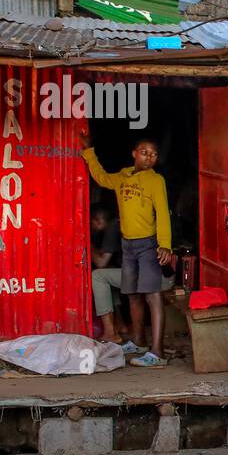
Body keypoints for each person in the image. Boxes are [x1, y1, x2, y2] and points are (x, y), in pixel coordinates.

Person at [79, 132, 172, 368]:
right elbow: (101, 178)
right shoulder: (123, 176)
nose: (149, 157)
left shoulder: (156, 180)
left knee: (152, 295)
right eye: (144, 152)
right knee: (132, 294)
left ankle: (157, 352)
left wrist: (165, 245)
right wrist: (89, 153)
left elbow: (162, 213)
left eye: (153, 154)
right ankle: (139, 342)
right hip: (127, 244)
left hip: (148, 244)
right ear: (134, 154)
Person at [89, 204, 126, 344]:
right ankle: (120, 324)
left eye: (91, 222)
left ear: (98, 220)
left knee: (98, 275)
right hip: (134, 272)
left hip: (137, 275)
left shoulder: (112, 228)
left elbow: (101, 262)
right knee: (107, 273)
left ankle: (110, 333)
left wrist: (87, 241)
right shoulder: (115, 225)